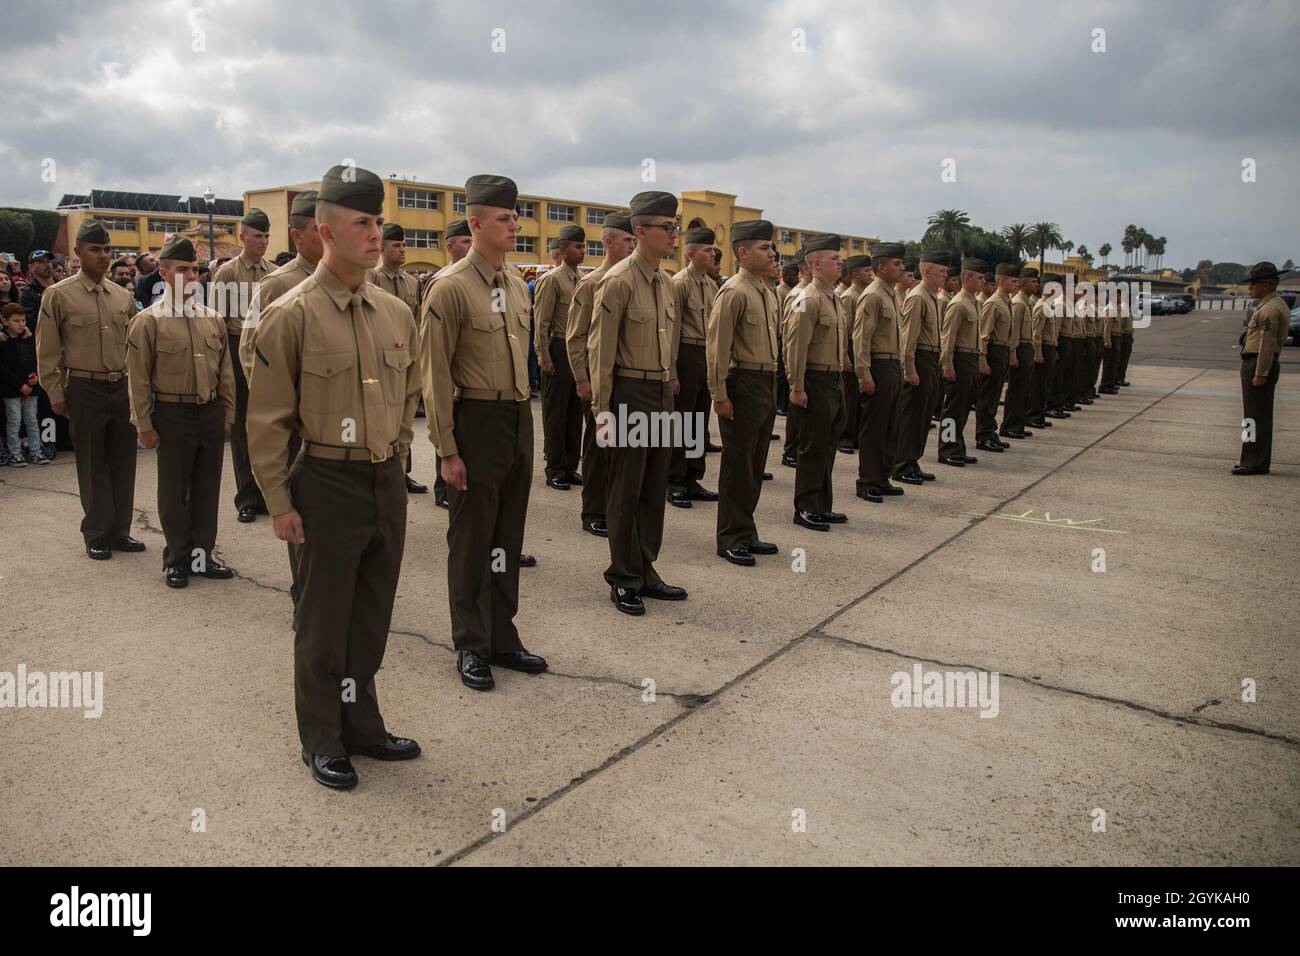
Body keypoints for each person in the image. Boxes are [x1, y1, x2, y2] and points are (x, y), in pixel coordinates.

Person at [247, 164, 423, 790]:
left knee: (370, 616)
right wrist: (278, 501)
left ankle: (362, 725)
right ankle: (322, 736)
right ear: (325, 231)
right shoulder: (290, 314)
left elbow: (409, 397)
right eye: (361, 223)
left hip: (383, 480)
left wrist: (397, 455)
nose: (376, 234)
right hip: (324, 480)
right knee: (323, 621)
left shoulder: (396, 312)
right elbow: (267, 419)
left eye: (378, 222)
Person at [421, 174, 548, 688]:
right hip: (474, 419)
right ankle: (470, 642)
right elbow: (434, 375)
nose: (514, 225)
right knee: (472, 538)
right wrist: (447, 449)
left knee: (506, 534)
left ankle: (502, 635)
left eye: (515, 217)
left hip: (516, 417)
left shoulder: (516, 284)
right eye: (503, 218)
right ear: (475, 223)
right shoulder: (449, 287)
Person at [590, 190, 688, 611]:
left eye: (675, 226)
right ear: (641, 230)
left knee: (653, 485)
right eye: (667, 227)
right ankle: (623, 576)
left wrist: (671, 380)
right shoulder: (618, 281)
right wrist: (601, 411)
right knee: (626, 489)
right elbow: (600, 351)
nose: (674, 234)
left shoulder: (666, 283)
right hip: (629, 392)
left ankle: (645, 568)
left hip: (661, 391)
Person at [125, 235, 236, 589]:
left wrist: (228, 414)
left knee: (207, 489)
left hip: (209, 412)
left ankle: (202, 557)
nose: (190, 277)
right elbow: (138, 379)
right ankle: (177, 558)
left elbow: (226, 373)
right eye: (182, 270)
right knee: (174, 492)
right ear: (163, 273)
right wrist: (143, 424)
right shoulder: (148, 322)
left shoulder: (213, 319)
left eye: (194, 270)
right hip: (172, 414)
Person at [35, 219, 143, 559]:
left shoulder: (123, 296)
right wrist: (55, 393)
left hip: (120, 386)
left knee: (123, 462)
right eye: (95, 249)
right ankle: (97, 531)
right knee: (93, 464)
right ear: (78, 252)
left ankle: (120, 531)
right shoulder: (58, 295)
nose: (103, 256)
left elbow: (134, 349)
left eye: (107, 249)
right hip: (84, 387)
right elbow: (47, 351)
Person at [241, 189, 321, 617]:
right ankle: (304, 595)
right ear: (298, 235)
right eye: (317, 228)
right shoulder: (277, 285)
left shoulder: (353, 280)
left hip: (337, 423)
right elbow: (250, 352)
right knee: (300, 510)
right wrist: (280, 408)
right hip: (296, 422)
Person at [707, 218, 780, 566]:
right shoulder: (734, 291)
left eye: (772, 247)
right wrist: (719, 394)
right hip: (743, 382)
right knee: (738, 464)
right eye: (764, 248)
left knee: (755, 462)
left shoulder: (766, 291)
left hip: (765, 381)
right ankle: (730, 537)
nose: (772, 253)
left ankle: (746, 530)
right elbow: (717, 348)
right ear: (743, 252)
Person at [566, 212, 635, 537]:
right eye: (627, 240)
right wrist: (582, 378)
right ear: (608, 242)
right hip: (596, 377)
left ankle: (614, 507)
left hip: (623, 378)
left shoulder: (631, 280)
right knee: (598, 444)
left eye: (634, 240)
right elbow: (576, 336)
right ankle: (594, 510)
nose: (632, 245)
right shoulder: (592, 283)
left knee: (620, 446)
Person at [212, 208, 274, 523]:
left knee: (269, 425)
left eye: (266, 236)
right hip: (237, 349)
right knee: (241, 428)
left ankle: (269, 492)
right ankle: (247, 497)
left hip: (268, 350)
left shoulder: (275, 272)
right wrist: (221, 367)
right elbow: (217, 325)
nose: (263, 241)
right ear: (243, 237)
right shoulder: (227, 274)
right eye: (257, 236)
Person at [783, 233, 847, 532]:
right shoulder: (807, 299)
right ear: (816, 264)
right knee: (812, 447)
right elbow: (796, 346)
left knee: (827, 446)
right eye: (834, 258)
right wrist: (796, 386)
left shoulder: (832, 297)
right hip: (814, 378)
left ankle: (822, 504)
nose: (840, 262)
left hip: (833, 378)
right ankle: (806, 507)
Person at [367, 222, 428, 495]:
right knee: (380, 419)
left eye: (404, 245)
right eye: (396, 245)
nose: (402, 249)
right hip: (379, 360)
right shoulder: (372, 279)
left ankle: (403, 472)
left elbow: (416, 322)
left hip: (405, 360)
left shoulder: (412, 282)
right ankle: (379, 472)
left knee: (405, 417)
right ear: (382, 248)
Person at [420, 217, 472, 509]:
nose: (470, 246)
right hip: (444, 367)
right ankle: (443, 488)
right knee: (444, 425)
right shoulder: (442, 282)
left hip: (466, 368)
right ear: (450, 246)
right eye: (465, 241)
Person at [666, 226, 719, 509]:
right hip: (685, 354)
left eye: (712, 250)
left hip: (704, 355)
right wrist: (672, 371)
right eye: (707, 250)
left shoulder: (711, 285)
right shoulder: (679, 283)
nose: (712, 255)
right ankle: (674, 481)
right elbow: (673, 329)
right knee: (681, 420)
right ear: (691, 254)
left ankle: (692, 477)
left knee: (699, 420)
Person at [853, 242, 906, 503]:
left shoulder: (893, 295)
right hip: (878, 364)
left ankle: (883, 477)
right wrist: (864, 374)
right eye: (897, 263)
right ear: (881, 267)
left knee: (891, 425)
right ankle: (868, 480)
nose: (902, 267)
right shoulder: (872, 295)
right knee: (874, 428)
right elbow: (861, 338)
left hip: (893, 364)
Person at [534, 224, 586, 491]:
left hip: (577, 350)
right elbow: (542, 322)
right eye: (578, 246)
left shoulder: (582, 279)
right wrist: (543, 355)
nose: (583, 251)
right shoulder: (552, 279)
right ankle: (555, 468)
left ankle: (570, 466)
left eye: (584, 246)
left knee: (575, 412)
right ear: (563, 249)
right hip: (558, 347)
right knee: (556, 413)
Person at [893, 250, 946, 485]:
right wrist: (909, 368)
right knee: (912, 416)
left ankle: (913, 460)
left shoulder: (931, 297)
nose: (945, 275)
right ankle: (902, 464)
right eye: (941, 271)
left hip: (931, 358)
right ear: (926, 270)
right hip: (920, 359)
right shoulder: (917, 297)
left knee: (923, 416)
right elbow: (909, 338)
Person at [1234, 261, 1289, 476]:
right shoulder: (1273, 304)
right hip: (1257, 362)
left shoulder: (1270, 309)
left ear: (1267, 285)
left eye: (1254, 283)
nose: (1250, 287)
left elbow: (1267, 344)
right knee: (1256, 416)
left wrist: (1260, 373)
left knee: (1254, 417)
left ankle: (1253, 461)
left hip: (1257, 363)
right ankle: (1253, 459)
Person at [936, 257, 986, 467]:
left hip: (971, 358)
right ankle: (947, 449)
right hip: (960, 358)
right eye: (979, 278)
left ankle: (957, 447)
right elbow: (948, 337)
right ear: (967, 277)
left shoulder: (973, 302)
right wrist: (947, 364)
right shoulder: (958, 304)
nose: (983, 282)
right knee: (953, 409)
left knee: (963, 408)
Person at [975, 264, 1018, 453]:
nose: (1016, 284)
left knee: (994, 396)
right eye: (1013, 281)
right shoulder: (993, 303)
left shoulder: (1006, 302)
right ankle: (983, 436)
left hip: (1002, 350)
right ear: (1001, 281)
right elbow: (984, 335)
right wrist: (982, 360)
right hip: (993, 351)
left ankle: (990, 432)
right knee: (987, 396)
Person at [1, 303, 47, 465]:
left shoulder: (29, 338)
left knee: (32, 420)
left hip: (31, 387)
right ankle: (15, 453)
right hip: (11, 389)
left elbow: (36, 359)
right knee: (14, 421)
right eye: (16, 321)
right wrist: (20, 385)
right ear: (5, 321)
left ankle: (36, 451)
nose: (21, 324)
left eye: (23, 320)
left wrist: (36, 376)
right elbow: (3, 369)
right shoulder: (3, 341)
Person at [778, 250, 810, 467]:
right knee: (798, 412)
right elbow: (795, 337)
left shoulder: (813, 293)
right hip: (801, 363)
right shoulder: (800, 295)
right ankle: (791, 451)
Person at [836, 255, 871, 453]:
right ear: (855, 274)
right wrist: (845, 356)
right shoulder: (849, 297)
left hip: (859, 346)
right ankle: (845, 438)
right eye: (866, 271)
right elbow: (843, 330)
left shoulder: (863, 294)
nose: (870, 274)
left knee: (858, 397)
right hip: (850, 346)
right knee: (849, 396)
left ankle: (855, 434)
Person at [1000, 266, 1039, 440]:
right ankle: (1010, 425)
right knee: (1016, 390)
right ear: (1023, 284)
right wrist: (1013, 354)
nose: (1036, 284)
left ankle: (1018, 424)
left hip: (1026, 347)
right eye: (1033, 281)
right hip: (1020, 348)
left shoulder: (1026, 302)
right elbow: (1014, 332)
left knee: (1024, 389)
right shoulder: (1018, 303)